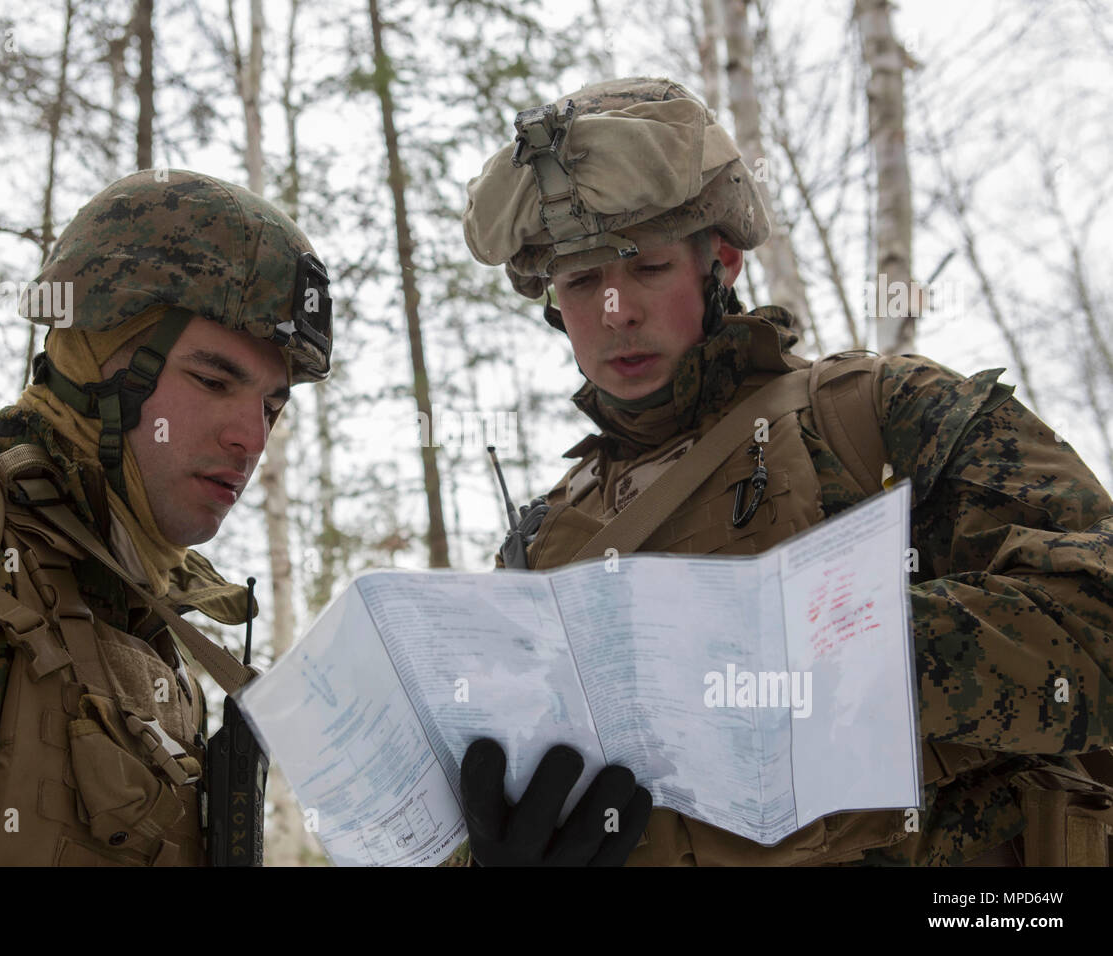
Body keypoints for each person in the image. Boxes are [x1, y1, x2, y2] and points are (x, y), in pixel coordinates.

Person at [456, 76, 1113, 866]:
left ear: (721, 261)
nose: (615, 311)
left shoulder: (881, 416)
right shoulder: (543, 549)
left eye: (647, 268)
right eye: (581, 281)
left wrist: (822, 658)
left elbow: (1097, 616)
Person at [0, 169, 332, 866]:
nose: (251, 437)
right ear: (91, 360)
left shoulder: (155, 656)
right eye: (213, 380)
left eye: (272, 406)